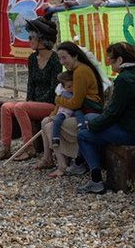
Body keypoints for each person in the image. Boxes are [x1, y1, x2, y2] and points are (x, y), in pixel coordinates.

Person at [75, 42, 135, 194]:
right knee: (90, 117)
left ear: (120, 60)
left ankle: (95, 180)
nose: (109, 63)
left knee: (83, 135)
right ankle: (81, 162)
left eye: (110, 59)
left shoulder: (124, 80)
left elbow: (113, 113)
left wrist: (92, 127)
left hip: (133, 131)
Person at [0, 15, 62, 161]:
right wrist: (30, 101)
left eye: (32, 37)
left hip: (50, 103)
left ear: (42, 40)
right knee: (6, 107)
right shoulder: (32, 59)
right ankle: (5, 148)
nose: (29, 40)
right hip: (34, 103)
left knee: (20, 107)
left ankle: (28, 147)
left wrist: (29, 104)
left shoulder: (55, 59)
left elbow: (54, 88)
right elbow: (30, 83)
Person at [38, 41, 105, 173]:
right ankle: (48, 158)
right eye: (59, 58)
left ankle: (62, 165)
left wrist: (58, 99)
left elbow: (76, 103)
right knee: (45, 121)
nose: (62, 62)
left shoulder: (80, 72)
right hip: (80, 112)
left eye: (64, 57)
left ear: (75, 56)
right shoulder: (79, 70)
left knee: (50, 126)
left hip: (86, 114)